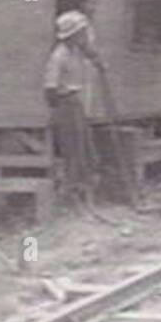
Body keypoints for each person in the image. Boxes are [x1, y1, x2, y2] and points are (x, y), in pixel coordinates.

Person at [44, 11, 97, 203]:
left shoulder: (76, 52)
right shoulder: (59, 56)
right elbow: (50, 88)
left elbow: (91, 54)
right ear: (72, 34)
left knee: (84, 146)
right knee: (72, 147)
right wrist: (59, 109)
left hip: (75, 102)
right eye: (80, 32)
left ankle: (81, 187)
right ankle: (70, 190)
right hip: (66, 103)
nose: (83, 35)